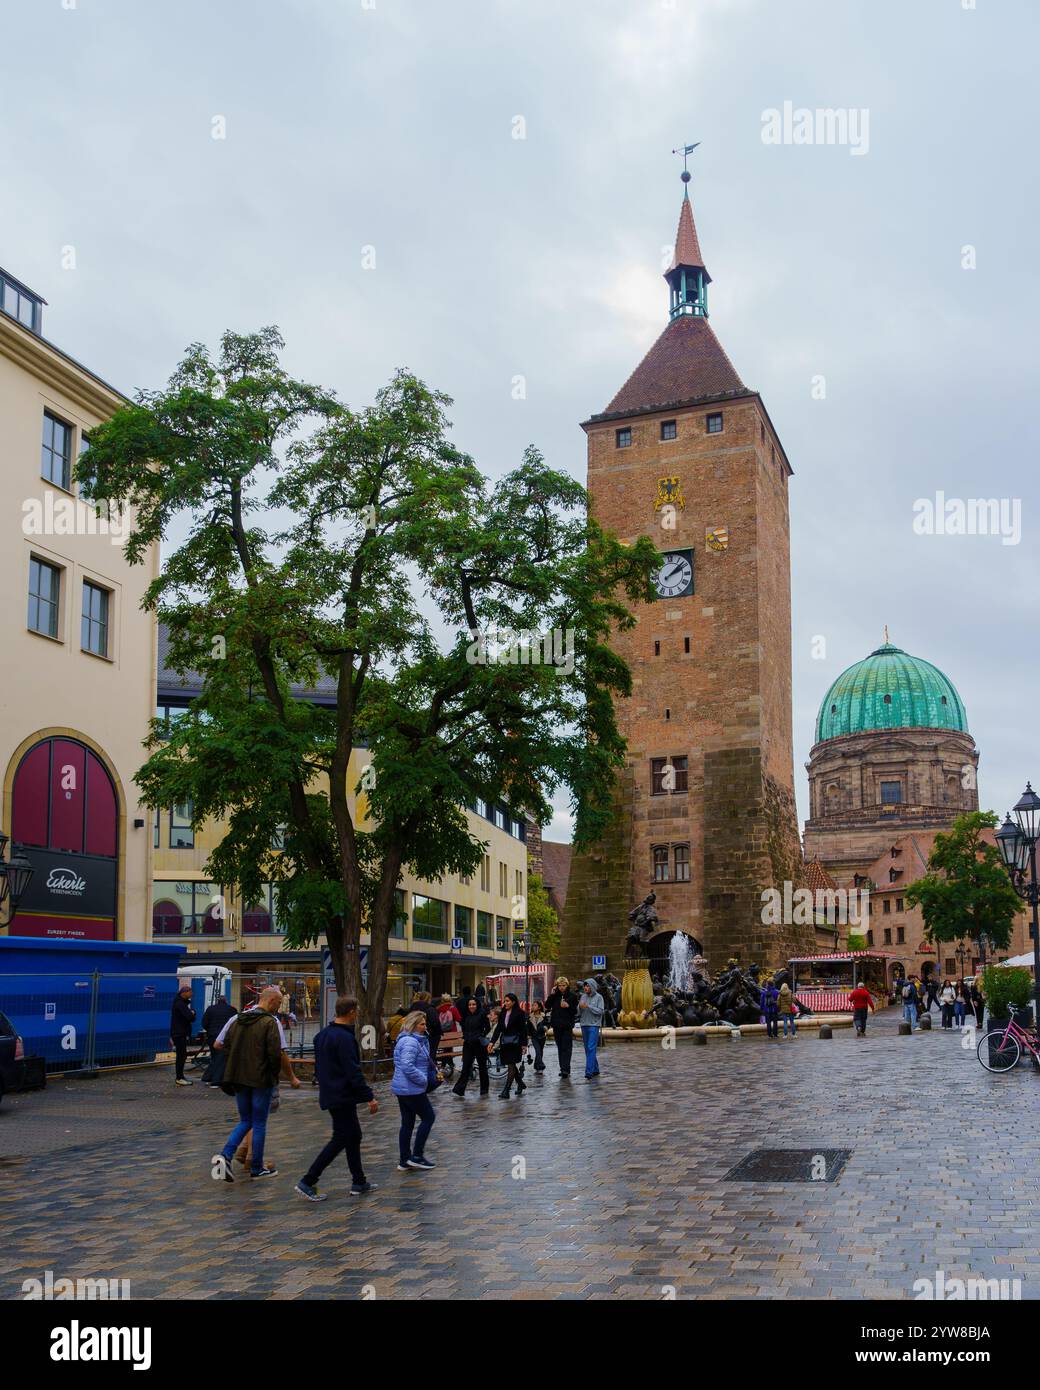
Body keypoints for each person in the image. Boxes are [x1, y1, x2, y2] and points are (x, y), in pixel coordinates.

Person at [296, 996, 379, 1202]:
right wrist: (369, 1096)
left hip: (331, 1092)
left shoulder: (322, 1035)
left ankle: (359, 1181)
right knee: (341, 1137)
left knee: (353, 1135)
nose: (357, 1014)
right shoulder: (344, 1037)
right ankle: (308, 1179)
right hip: (342, 1094)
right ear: (351, 1011)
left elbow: (319, 1066)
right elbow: (352, 1070)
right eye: (356, 1010)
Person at [217, 986, 285, 1180]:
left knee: (245, 1120)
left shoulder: (237, 1020)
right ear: (271, 1001)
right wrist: (273, 1075)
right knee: (259, 1122)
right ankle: (256, 1167)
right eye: (279, 1003)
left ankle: (226, 1155)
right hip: (260, 1079)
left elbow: (226, 1046)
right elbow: (274, 1053)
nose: (279, 1008)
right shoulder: (268, 1022)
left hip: (238, 1078)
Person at [391, 1011, 440, 1171]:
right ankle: (417, 1155)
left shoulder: (413, 1040)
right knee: (428, 1117)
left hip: (403, 1087)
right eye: (422, 1024)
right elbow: (407, 1065)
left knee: (407, 1123)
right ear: (413, 1025)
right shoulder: (411, 1042)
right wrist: (423, 1079)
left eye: (425, 1024)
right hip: (411, 1088)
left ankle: (404, 1159)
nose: (425, 1026)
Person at [488, 992, 530, 1099]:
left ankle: (506, 1090)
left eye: (507, 1001)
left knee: (511, 1065)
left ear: (513, 1002)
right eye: (505, 1001)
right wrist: (492, 1042)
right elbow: (498, 1029)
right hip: (505, 1042)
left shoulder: (520, 1013)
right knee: (510, 1064)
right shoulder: (503, 1012)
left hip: (516, 1043)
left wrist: (524, 1045)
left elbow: (523, 1030)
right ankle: (520, 1083)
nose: (505, 1003)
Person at [452, 996, 491, 1097]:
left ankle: (484, 1089)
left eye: (473, 1004)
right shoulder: (465, 1015)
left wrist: (480, 1036)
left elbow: (488, 1028)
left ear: (477, 1005)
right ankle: (459, 1089)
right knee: (466, 1067)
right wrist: (465, 1036)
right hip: (468, 1044)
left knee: (482, 1067)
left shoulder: (482, 1014)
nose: (471, 1006)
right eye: (470, 1005)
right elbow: (463, 1027)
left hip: (479, 1044)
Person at [200, 992, 236, 1087]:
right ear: (226, 1001)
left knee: (215, 1057)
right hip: (225, 1038)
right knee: (221, 1059)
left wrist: (210, 1031)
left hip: (212, 1036)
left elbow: (204, 1022)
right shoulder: (232, 1010)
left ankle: (208, 1077)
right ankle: (215, 1081)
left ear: (217, 1001)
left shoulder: (210, 1009)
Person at [546, 976, 578, 1078]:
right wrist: (551, 994)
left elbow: (575, 1011)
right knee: (560, 1047)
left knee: (567, 1048)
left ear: (567, 985)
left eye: (563, 985)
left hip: (567, 1026)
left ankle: (566, 1070)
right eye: (559, 985)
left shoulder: (572, 996)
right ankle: (562, 1068)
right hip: (556, 1025)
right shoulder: (555, 995)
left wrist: (568, 1006)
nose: (561, 987)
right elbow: (547, 1005)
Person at [170, 981, 196, 1086]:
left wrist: (192, 1013)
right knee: (181, 1055)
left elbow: (190, 1016)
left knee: (182, 1055)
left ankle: (180, 1076)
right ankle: (179, 1077)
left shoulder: (180, 1003)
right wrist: (192, 1013)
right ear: (184, 993)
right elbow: (190, 1017)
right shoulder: (180, 1004)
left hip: (179, 1032)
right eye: (190, 992)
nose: (192, 994)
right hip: (179, 1033)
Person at [577, 978, 605, 1079]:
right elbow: (578, 1012)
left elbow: (600, 1011)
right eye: (585, 986)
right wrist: (579, 1007)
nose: (585, 988)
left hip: (594, 1025)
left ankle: (588, 1072)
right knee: (587, 1049)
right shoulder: (583, 996)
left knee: (591, 1047)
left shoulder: (599, 997)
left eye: (588, 986)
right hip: (584, 1024)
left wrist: (588, 1006)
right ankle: (596, 1069)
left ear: (592, 987)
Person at [529, 1000, 548, 1071]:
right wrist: (528, 1035)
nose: (533, 1007)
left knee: (540, 1051)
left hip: (542, 1036)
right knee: (538, 1051)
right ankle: (540, 1066)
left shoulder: (543, 1016)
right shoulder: (530, 1017)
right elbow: (528, 1027)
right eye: (532, 1005)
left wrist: (546, 1027)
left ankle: (536, 1065)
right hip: (534, 1037)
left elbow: (547, 1023)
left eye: (535, 1005)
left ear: (539, 1007)